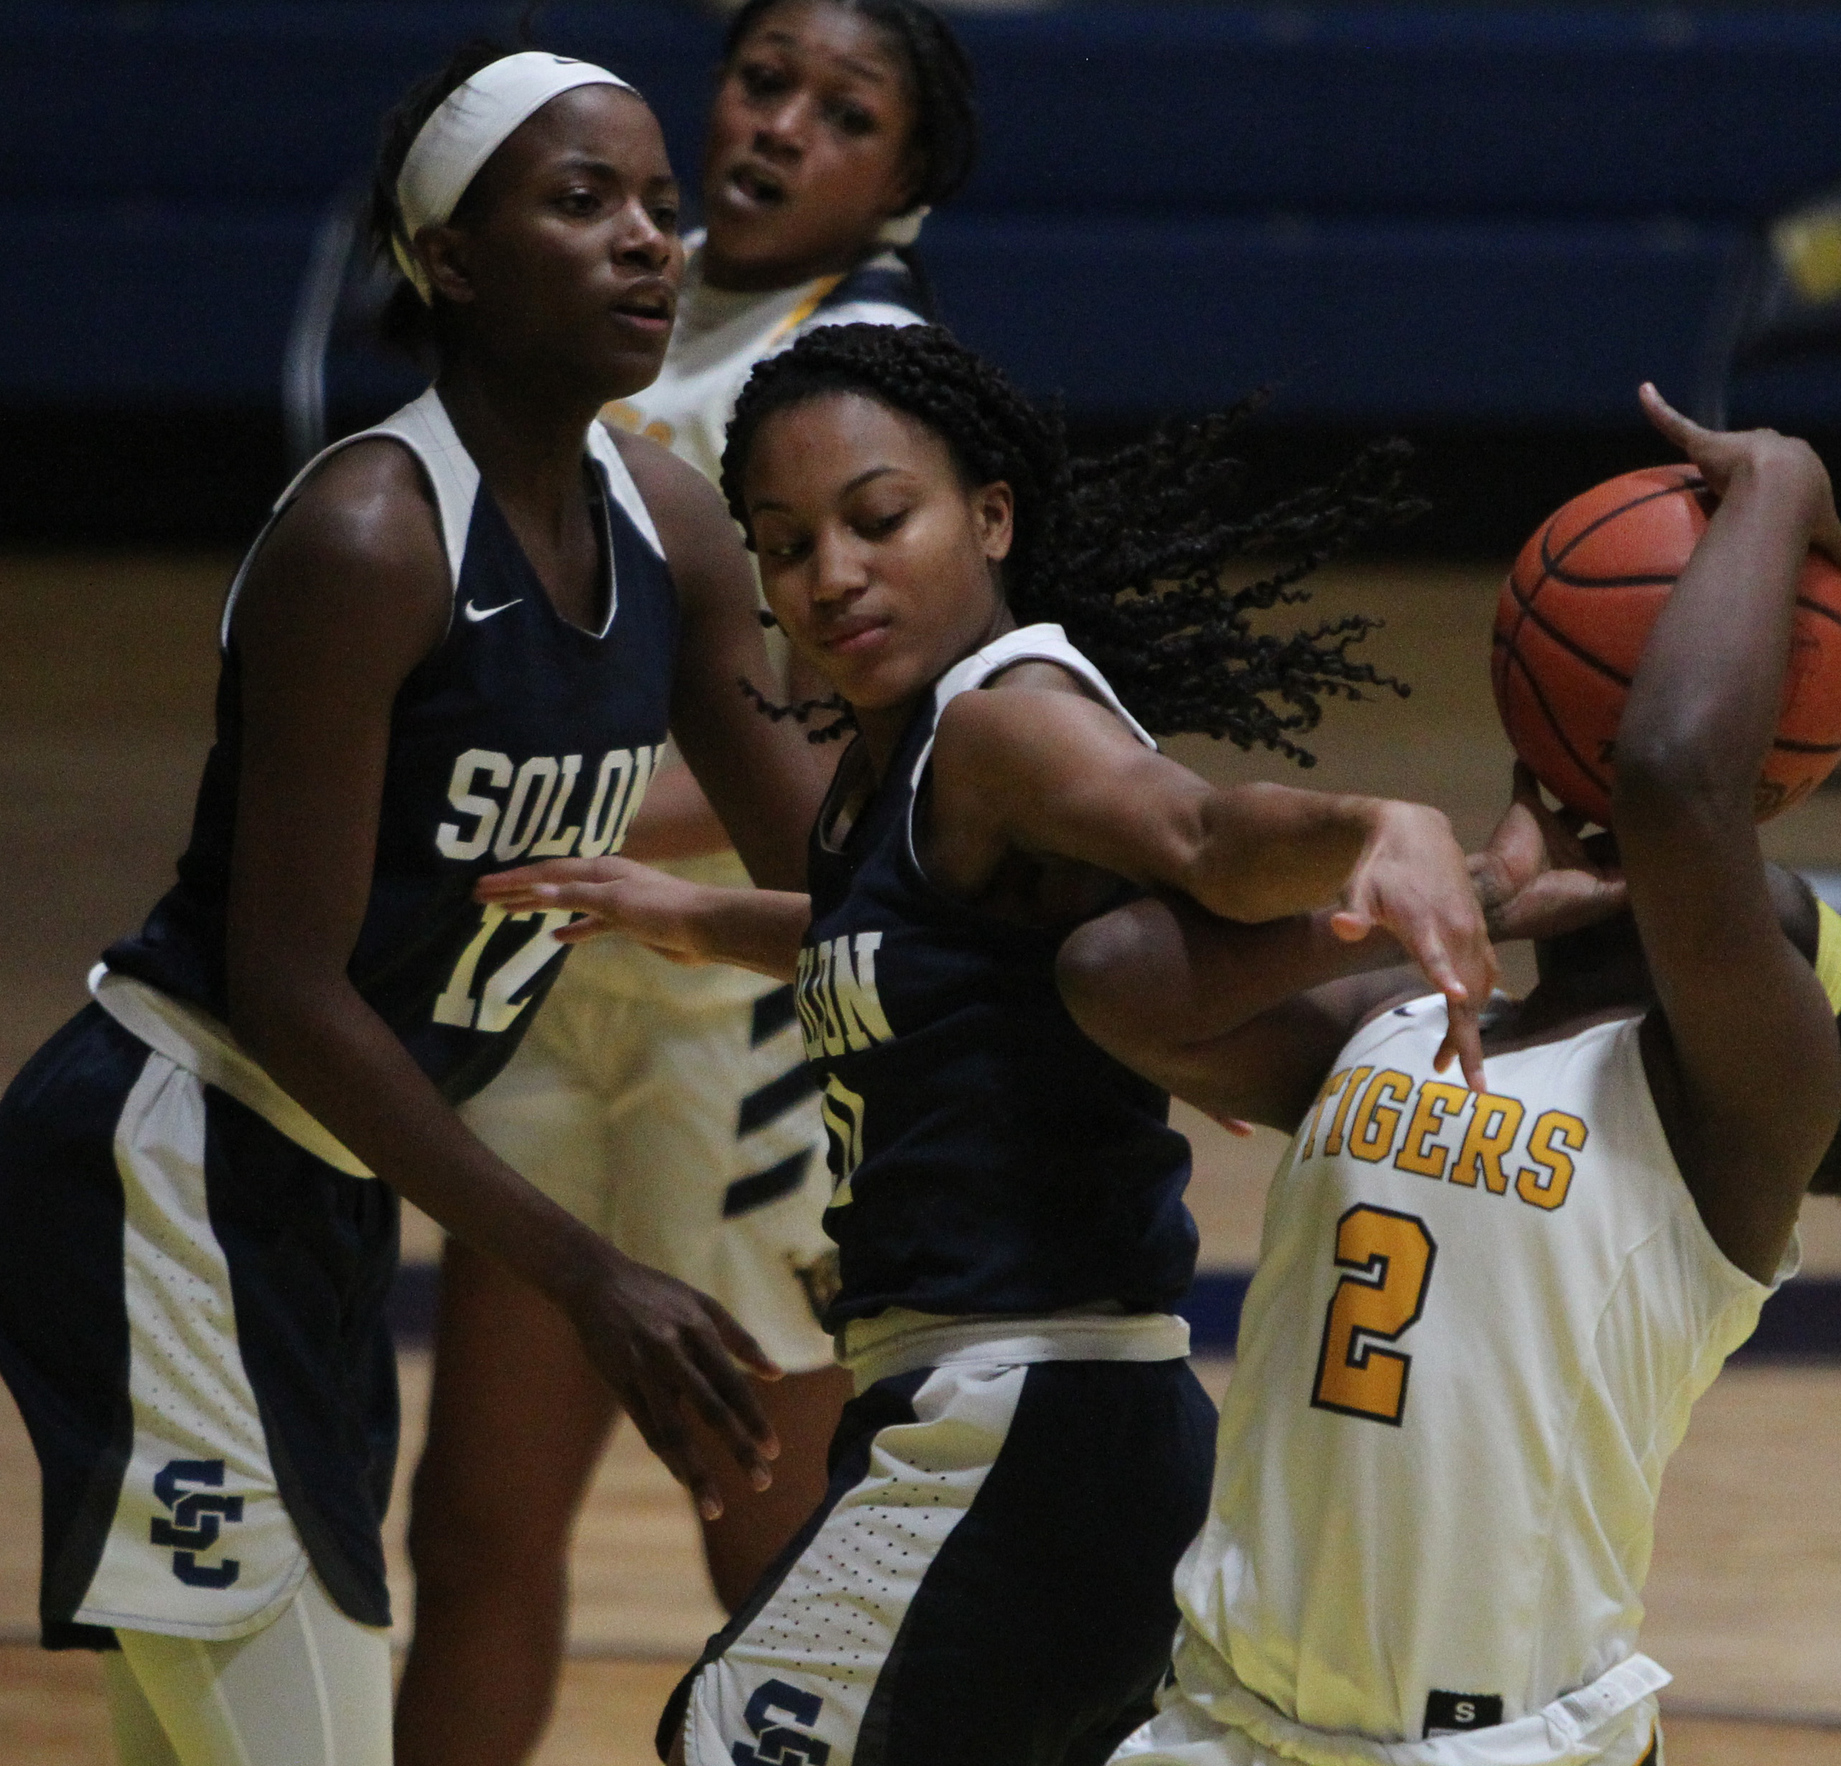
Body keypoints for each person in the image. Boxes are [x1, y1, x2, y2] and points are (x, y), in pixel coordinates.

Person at [477, 320, 1501, 1766]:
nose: (831, 574)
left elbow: (1201, 832)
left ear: (993, 516)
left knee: (731, 1741)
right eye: (784, 544)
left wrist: (1377, 828)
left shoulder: (1008, 723)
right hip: (1065, 1434)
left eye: (879, 518)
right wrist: (690, 919)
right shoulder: (895, 765)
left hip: (1025, 1423)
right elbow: (918, 963)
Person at [0, 48, 827, 1766]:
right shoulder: (372, 533)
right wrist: (588, 1269)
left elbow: (842, 865)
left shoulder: (671, 523)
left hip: (318, 1199)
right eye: (582, 201)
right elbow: (291, 989)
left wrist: (1110, 844)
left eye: (661, 208)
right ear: (448, 257)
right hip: (172, 1168)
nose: (646, 244)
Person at [1049, 388, 1841, 1766]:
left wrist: (1784, 480)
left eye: (1758, 915)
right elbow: (1104, 978)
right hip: (1217, 1725)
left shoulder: (1727, 1122)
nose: (1726, 896)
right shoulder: (1408, 1011)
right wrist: (1464, 891)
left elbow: (1672, 778)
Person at [399, 16, 977, 1761]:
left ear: (907, 185)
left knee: (774, 1561)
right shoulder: (610, 277)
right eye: (766, 77)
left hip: (746, 1029)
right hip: (549, 991)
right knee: (477, 1529)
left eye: (845, 112)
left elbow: (837, 720)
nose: (781, 125)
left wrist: (485, 813)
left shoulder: (864, 373)